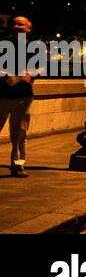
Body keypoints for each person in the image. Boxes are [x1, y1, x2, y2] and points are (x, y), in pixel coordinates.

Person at [0, 15, 37, 177]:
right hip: (2, 94)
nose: (17, 26)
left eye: (21, 24)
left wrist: (28, 75)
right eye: (15, 24)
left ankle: (18, 165)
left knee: (20, 133)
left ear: (28, 29)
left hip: (23, 97)